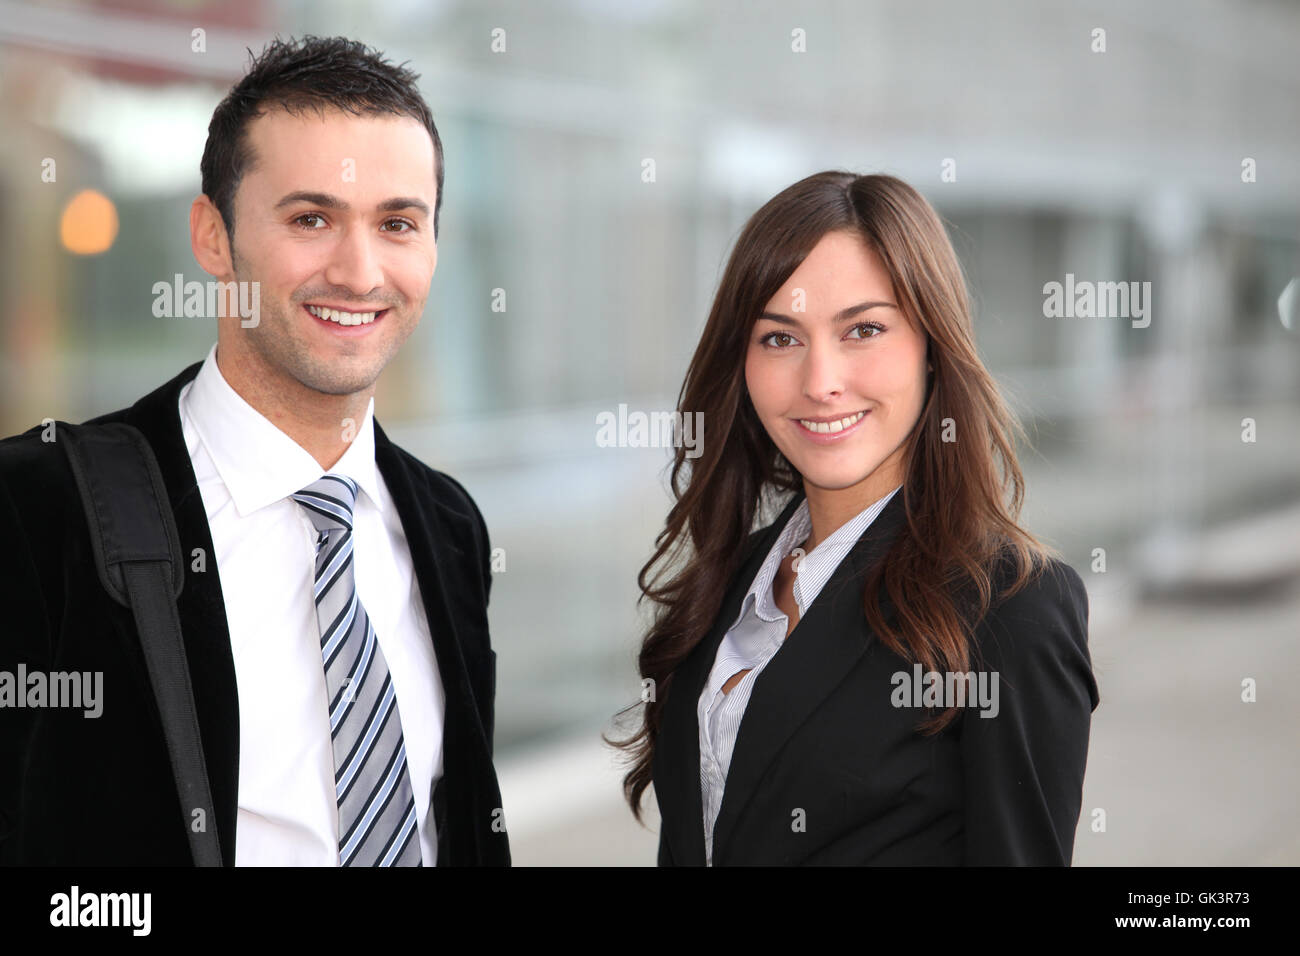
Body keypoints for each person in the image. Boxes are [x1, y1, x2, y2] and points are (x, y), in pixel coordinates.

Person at [0, 36, 508, 866]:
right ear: (212, 237)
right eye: (311, 219)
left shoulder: (450, 523)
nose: (359, 270)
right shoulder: (36, 507)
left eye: (398, 223)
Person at [611, 171, 1100, 865]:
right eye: (780, 338)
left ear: (932, 346)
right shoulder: (730, 581)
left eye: (863, 329)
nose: (820, 382)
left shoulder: (1011, 608)